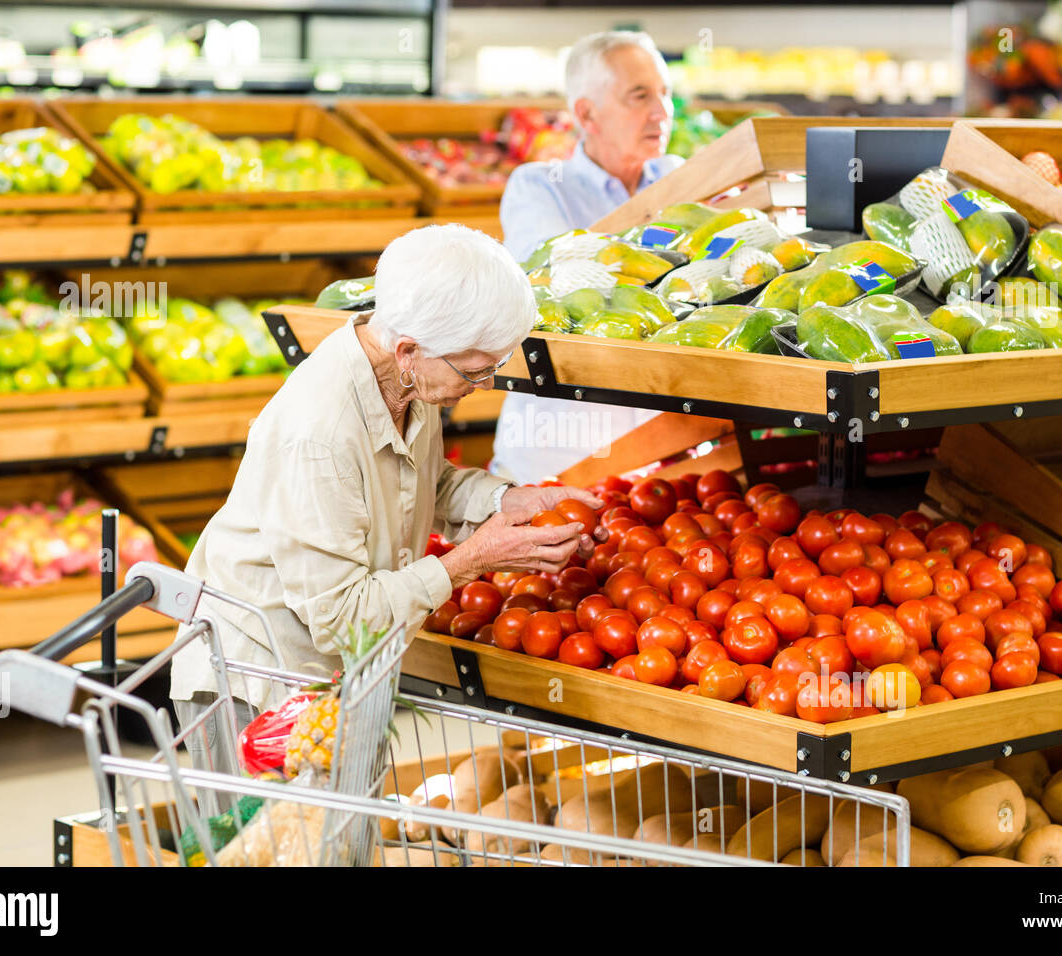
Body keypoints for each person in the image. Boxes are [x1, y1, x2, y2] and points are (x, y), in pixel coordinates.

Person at [168, 223, 603, 781]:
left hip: (339, 679)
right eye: (477, 370)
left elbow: (425, 480)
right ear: (409, 350)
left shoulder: (403, 381)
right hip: (261, 686)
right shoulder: (317, 434)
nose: (488, 384)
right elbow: (340, 618)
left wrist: (508, 498)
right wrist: (472, 560)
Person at [491, 30, 683, 485]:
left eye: (666, 93)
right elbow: (566, 281)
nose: (662, 112)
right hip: (558, 457)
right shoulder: (538, 186)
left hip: (664, 455)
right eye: (639, 96)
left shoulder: (676, 177)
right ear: (587, 114)